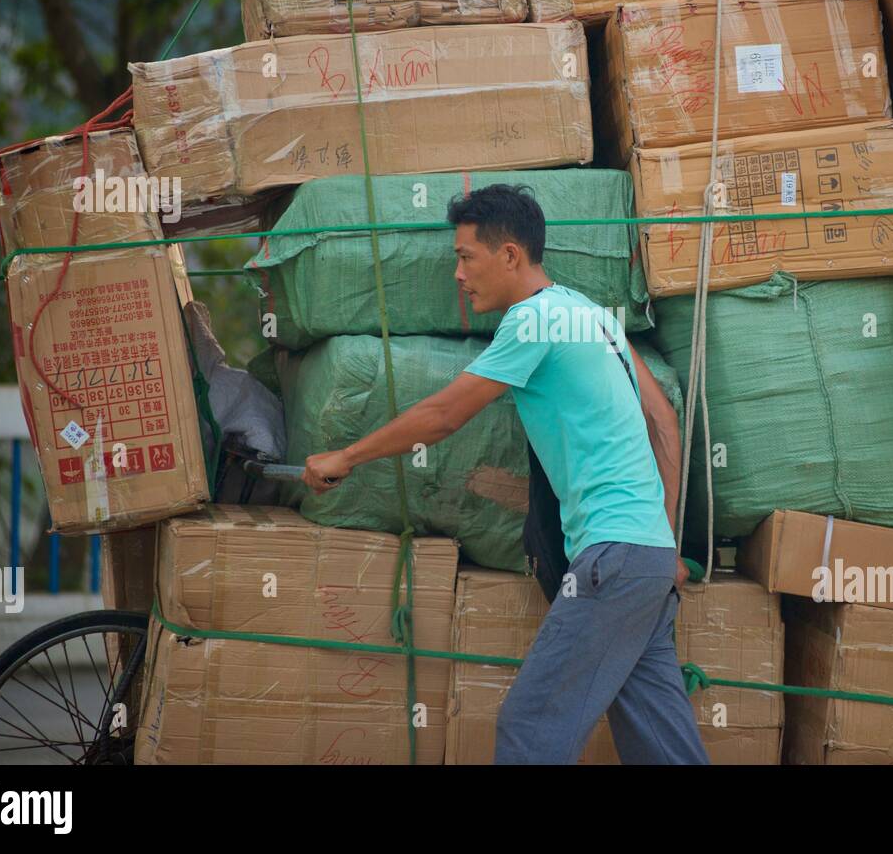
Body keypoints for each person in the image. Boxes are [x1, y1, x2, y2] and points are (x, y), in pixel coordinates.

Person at [301, 183, 710, 765]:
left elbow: (444, 416)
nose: (458, 276)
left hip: (612, 559)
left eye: (466, 257)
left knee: (530, 727)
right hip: (644, 559)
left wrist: (345, 457)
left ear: (511, 255)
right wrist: (664, 542)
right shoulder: (591, 316)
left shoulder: (535, 320)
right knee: (661, 744)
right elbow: (662, 421)